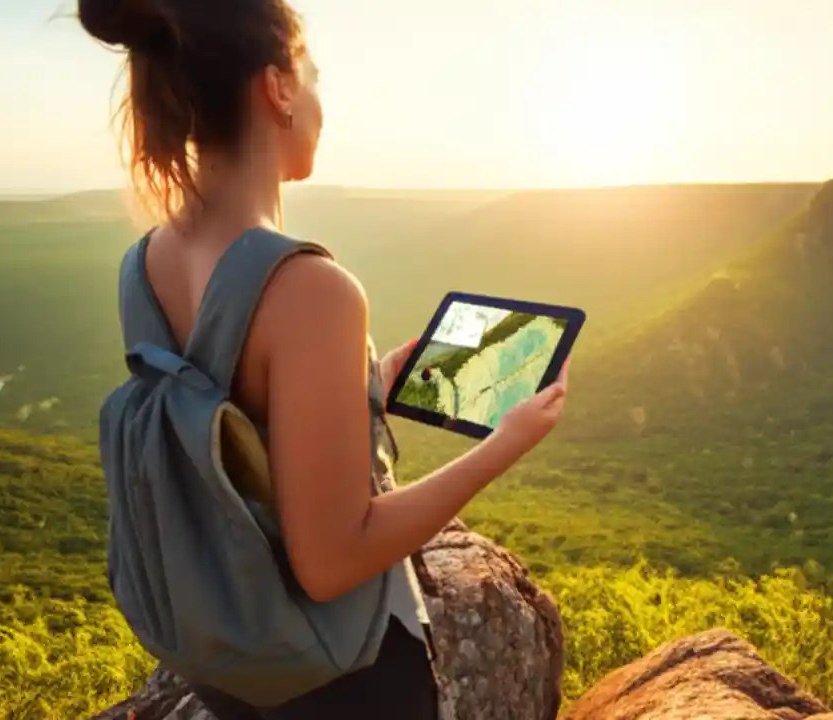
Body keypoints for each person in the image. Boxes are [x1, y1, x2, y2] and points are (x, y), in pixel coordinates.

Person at [78, 0, 571, 717]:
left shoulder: (144, 263)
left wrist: (363, 385)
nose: (317, 103)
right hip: (342, 680)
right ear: (277, 88)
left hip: (232, 665)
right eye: (311, 77)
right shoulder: (312, 288)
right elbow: (333, 558)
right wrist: (505, 444)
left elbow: (230, 428)